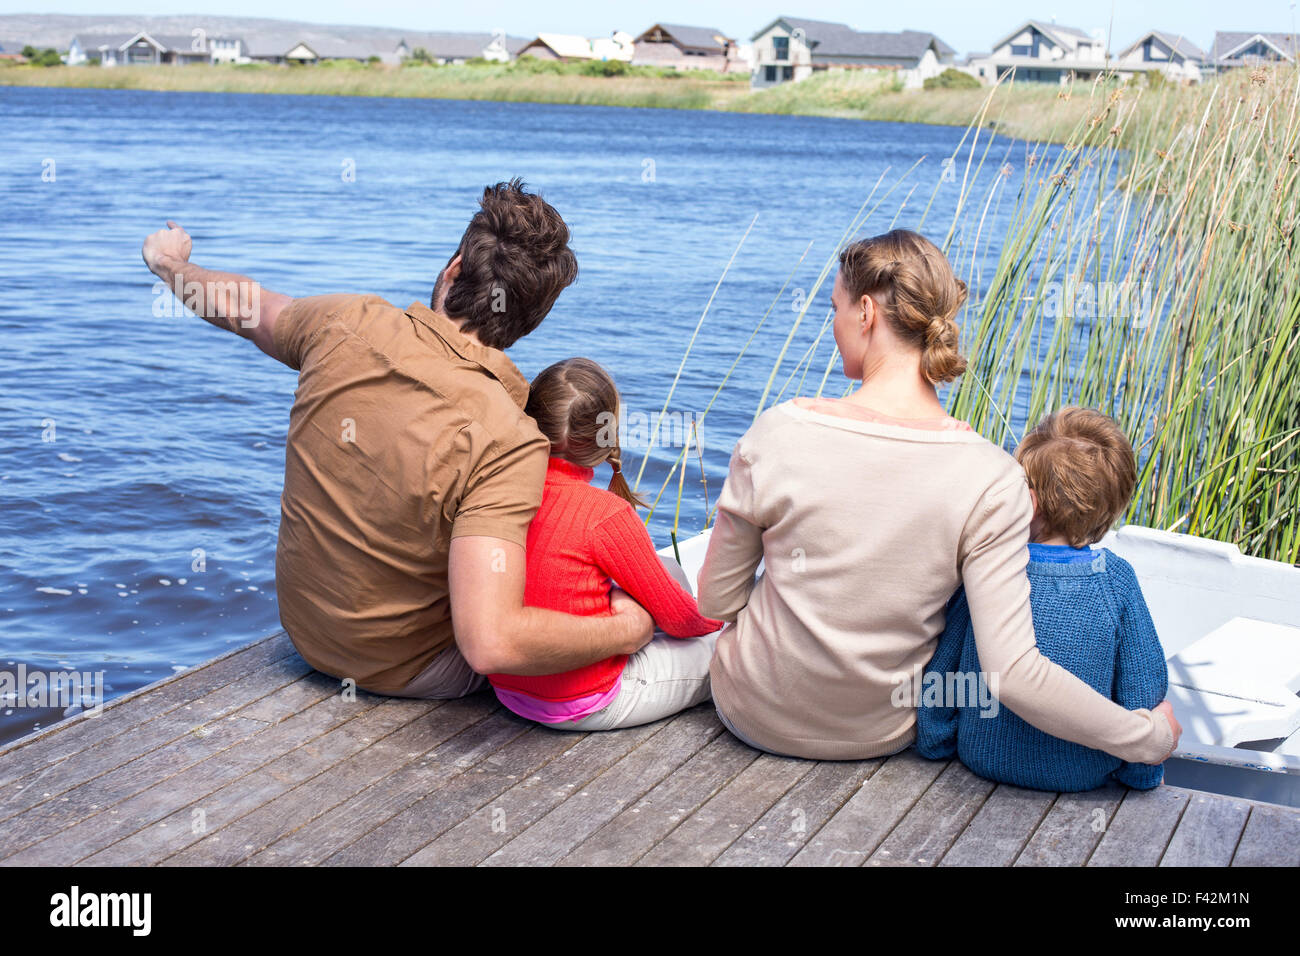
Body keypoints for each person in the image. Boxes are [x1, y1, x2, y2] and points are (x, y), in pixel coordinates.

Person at [140, 180, 656, 701]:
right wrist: (626, 631)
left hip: (308, 636)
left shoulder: (343, 322)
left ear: (454, 269)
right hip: (411, 671)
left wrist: (168, 264)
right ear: (533, 319)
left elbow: (239, 305)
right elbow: (489, 645)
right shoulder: (511, 439)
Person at [696, 228, 1182, 765]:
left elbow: (717, 602)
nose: (832, 325)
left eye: (833, 308)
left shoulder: (777, 432)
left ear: (865, 312)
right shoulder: (993, 479)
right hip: (879, 732)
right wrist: (1148, 738)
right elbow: (1014, 673)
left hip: (752, 711)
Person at [915, 407, 1168, 790]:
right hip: (1081, 775)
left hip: (982, 758)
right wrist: (1143, 771)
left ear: (1028, 502)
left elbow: (945, 666)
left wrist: (936, 741)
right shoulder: (1116, 581)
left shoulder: (992, 567)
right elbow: (1141, 687)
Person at [488, 359, 722, 729]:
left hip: (509, 690)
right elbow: (683, 621)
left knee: (668, 570)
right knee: (722, 651)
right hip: (585, 700)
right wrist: (725, 622)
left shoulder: (501, 495)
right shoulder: (605, 513)